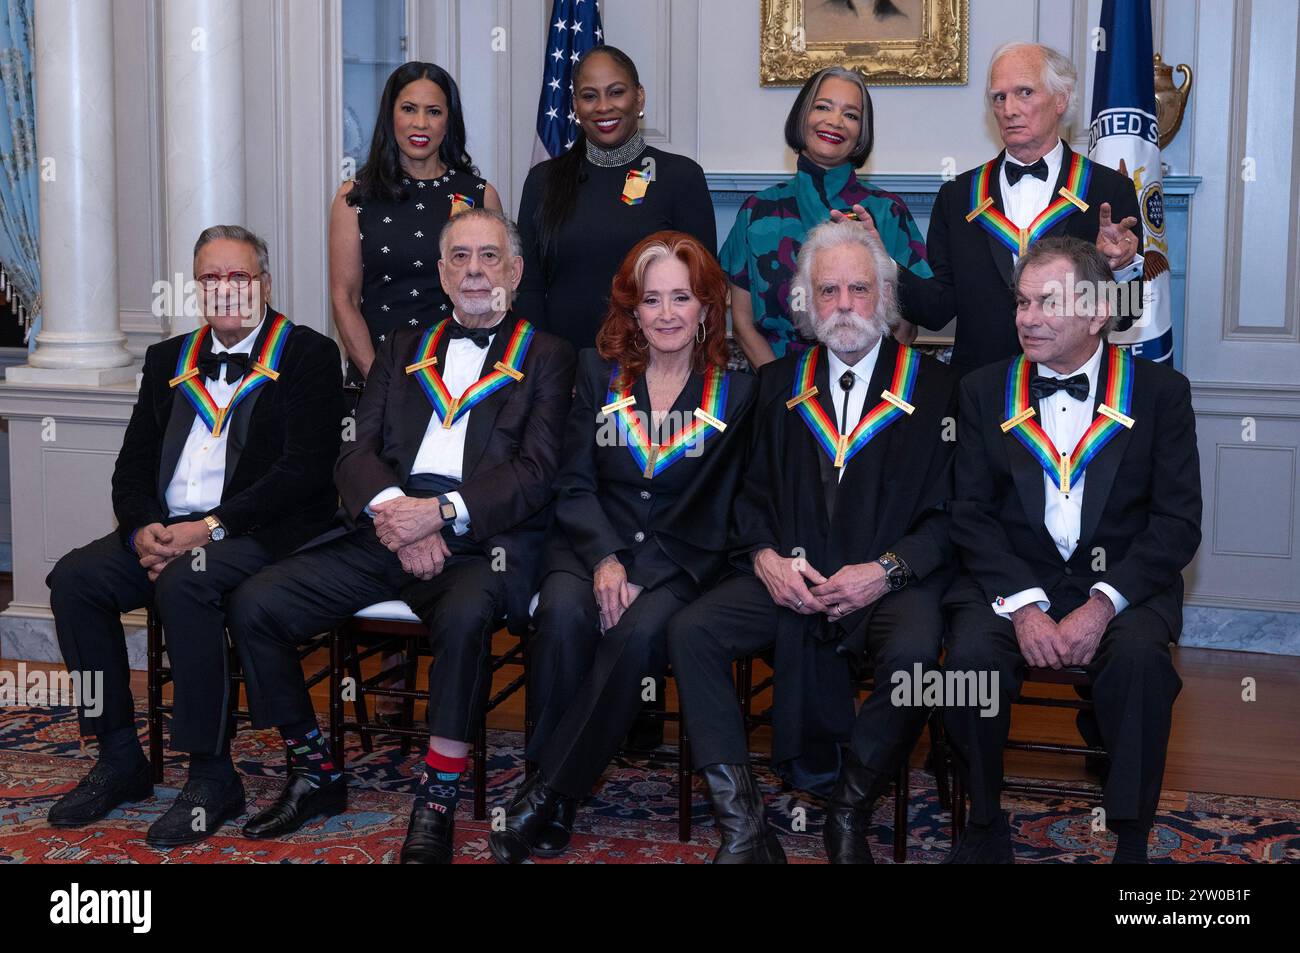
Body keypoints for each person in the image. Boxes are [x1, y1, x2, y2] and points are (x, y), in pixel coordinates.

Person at [225, 208, 575, 864]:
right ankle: (315, 771)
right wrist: (397, 512)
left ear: (515, 271)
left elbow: (536, 473)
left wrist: (440, 513)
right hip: (385, 529)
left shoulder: (551, 356)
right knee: (255, 602)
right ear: (442, 273)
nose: (475, 270)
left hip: (481, 540)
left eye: (490, 257)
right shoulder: (401, 345)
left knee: (468, 614)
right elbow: (354, 448)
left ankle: (436, 800)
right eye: (461, 257)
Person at [668, 221, 958, 863]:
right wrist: (765, 559)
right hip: (791, 579)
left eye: (860, 289)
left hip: (889, 581)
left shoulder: (938, 391)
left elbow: (951, 518)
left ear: (885, 296)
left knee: (914, 664)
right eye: (828, 291)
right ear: (805, 302)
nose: (846, 305)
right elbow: (745, 495)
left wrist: (884, 572)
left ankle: (848, 807)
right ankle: (743, 825)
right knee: (692, 630)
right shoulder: (776, 387)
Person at [45, 226, 344, 847]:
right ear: (196, 288)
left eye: (239, 277)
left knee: (187, 583)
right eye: (211, 278)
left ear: (263, 283)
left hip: (260, 529)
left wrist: (207, 529)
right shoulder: (168, 359)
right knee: (73, 579)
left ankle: (212, 775)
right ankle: (119, 755)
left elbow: (302, 473)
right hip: (170, 528)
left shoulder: (310, 355)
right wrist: (141, 531)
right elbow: (130, 467)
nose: (225, 290)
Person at [489, 232, 756, 864]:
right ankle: (557, 792)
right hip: (586, 547)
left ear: (707, 308)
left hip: (679, 562)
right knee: (560, 614)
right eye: (652, 299)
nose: (666, 314)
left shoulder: (739, 395)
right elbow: (573, 482)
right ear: (632, 310)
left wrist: (644, 572)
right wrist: (607, 559)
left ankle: (547, 792)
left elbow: (719, 511)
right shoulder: (595, 373)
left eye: (681, 298)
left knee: (637, 634)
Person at [942, 236, 1201, 864]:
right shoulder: (982, 391)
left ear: (1096, 312)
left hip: (1120, 584)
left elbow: (1176, 523)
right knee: (968, 659)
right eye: (1022, 303)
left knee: (1140, 661)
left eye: (1047, 302)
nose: (1028, 318)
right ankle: (983, 821)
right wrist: (1026, 607)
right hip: (1014, 578)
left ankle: (1132, 834)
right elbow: (969, 516)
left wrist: (1103, 603)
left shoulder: (1161, 393)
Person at [893, 42, 1145, 374]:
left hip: (1077, 395)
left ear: (1061, 99)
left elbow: (1126, 313)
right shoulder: (958, 196)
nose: (1009, 109)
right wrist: (882, 268)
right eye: (999, 97)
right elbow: (937, 311)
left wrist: (1122, 268)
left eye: (1024, 93)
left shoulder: (1109, 190)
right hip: (981, 395)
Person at [720, 65, 932, 368]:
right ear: (802, 116)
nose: (835, 121)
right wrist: (780, 391)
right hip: (777, 391)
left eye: (851, 115)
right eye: (823, 107)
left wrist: (857, 383)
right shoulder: (757, 211)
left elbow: (906, 325)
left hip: (867, 394)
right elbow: (742, 322)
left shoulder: (888, 212)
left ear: (862, 133)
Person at [516, 45, 716, 353]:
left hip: (654, 366)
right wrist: (545, 365)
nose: (603, 106)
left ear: (639, 97)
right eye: (589, 95)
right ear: (575, 105)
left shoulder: (681, 177)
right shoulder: (542, 181)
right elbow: (529, 287)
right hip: (564, 370)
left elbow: (703, 289)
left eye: (616, 92)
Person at [330, 61, 503, 383]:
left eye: (434, 112)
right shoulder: (353, 198)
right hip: (379, 374)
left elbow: (497, 295)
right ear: (390, 116)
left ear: (449, 121)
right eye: (409, 109)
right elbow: (345, 299)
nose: (420, 123)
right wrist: (380, 380)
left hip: (464, 375)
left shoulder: (481, 196)